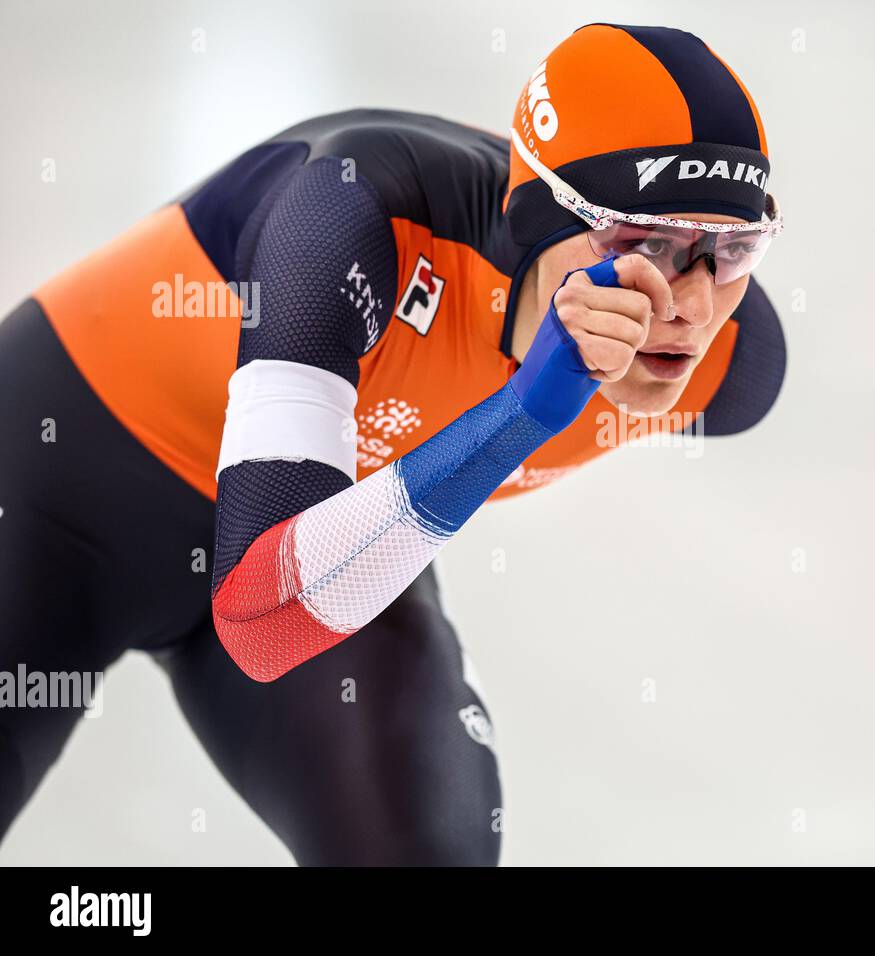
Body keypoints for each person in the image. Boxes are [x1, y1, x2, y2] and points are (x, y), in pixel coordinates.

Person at [0, 23, 786, 865]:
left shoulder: (729, 369)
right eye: (650, 244)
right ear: (534, 215)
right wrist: (526, 408)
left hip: (319, 536)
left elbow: (278, 620)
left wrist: (523, 407)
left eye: (732, 249)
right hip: (61, 491)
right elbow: (259, 610)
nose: (693, 307)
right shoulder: (350, 217)